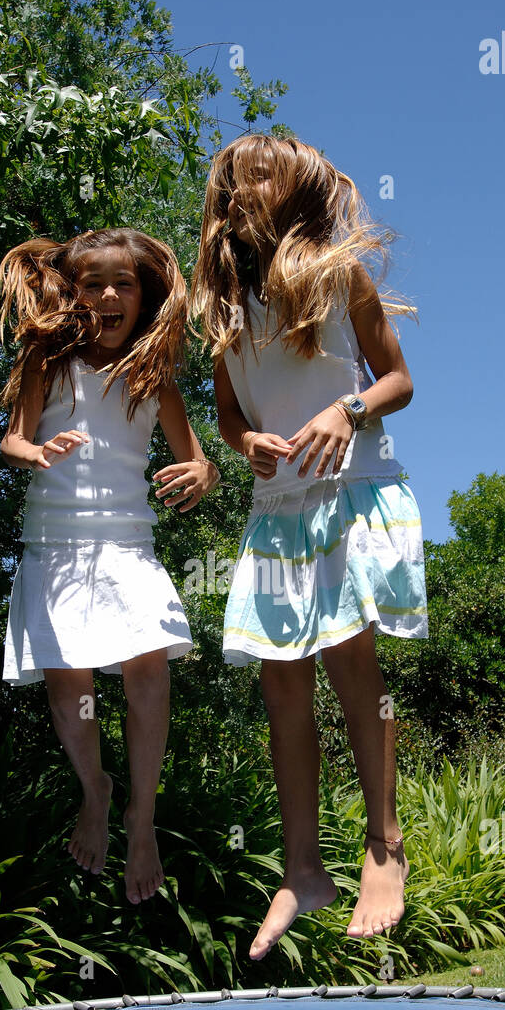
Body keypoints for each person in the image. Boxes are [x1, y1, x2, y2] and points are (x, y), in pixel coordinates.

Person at [190, 134, 428, 960]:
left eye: (258, 176)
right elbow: (227, 410)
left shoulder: (337, 274)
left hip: (347, 493)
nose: (239, 190)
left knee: (353, 671)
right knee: (281, 691)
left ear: (294, 192)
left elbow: (397, 381)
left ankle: (383, 843)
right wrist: (241, 442)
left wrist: (346, 411)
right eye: (230, 181)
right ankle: (302, 868)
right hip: (277, 507)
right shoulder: (224, 308)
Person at [0, 227, 219, 905]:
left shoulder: (154, 377)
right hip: (56, 544)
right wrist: (35, 453)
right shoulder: (48, 363)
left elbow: (199, 458)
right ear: (74, 294)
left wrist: (200, 473)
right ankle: (94, 788)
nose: (107, 294)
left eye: (122, 283)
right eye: (92, 284)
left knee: (147, 664)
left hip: (127, 544)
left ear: (143, 295)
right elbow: (12, 436)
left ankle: (140, 816)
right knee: (69, 681)